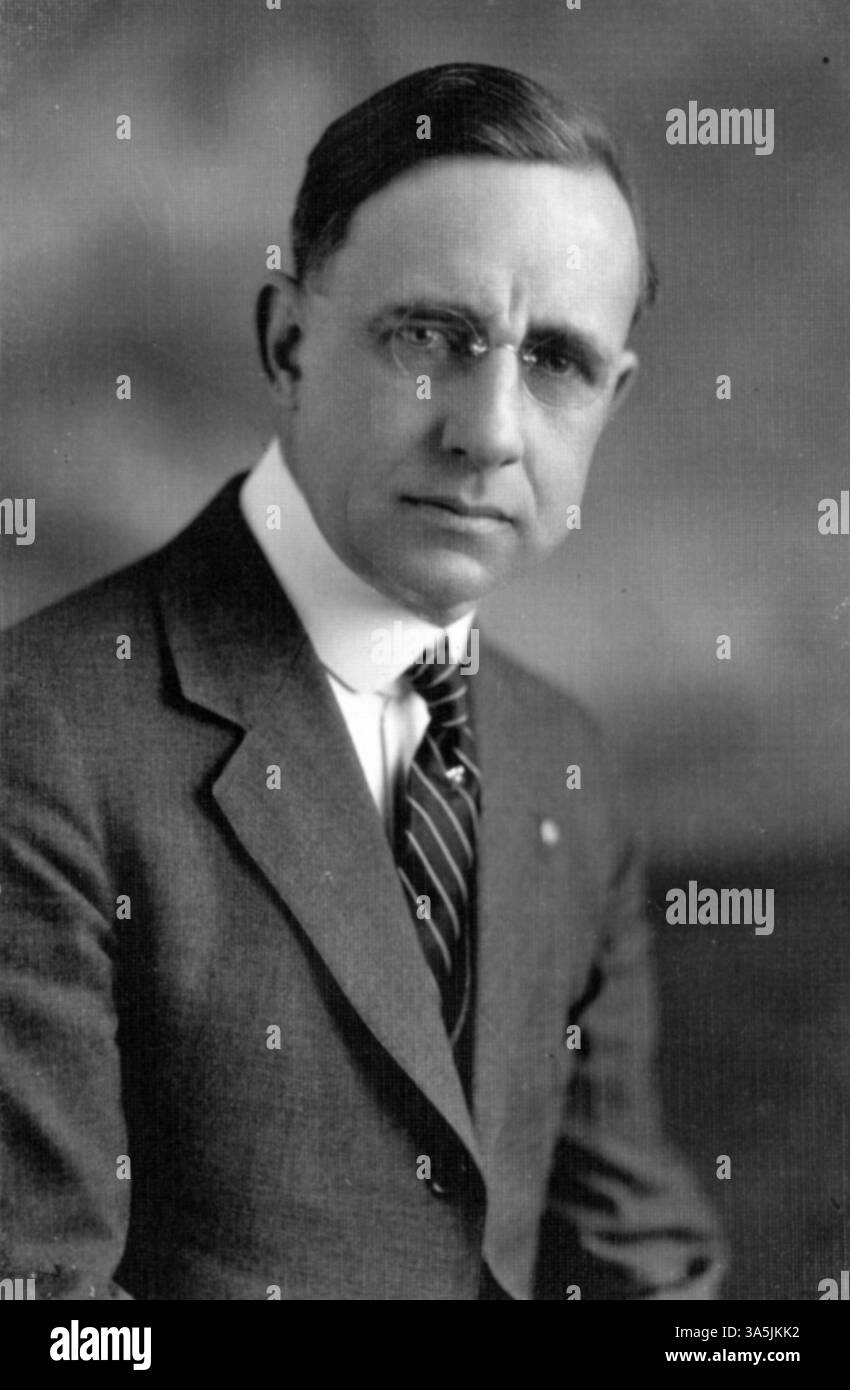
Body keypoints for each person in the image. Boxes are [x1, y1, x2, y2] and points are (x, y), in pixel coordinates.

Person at [0, 62, 726, 1300]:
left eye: (553, 360)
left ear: (611, 402)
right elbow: (45, 1307)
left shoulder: (564, 755)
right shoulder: (47, 731)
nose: (488, 430)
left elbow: (636, 1258)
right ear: (287, 339)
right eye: (432, 338)